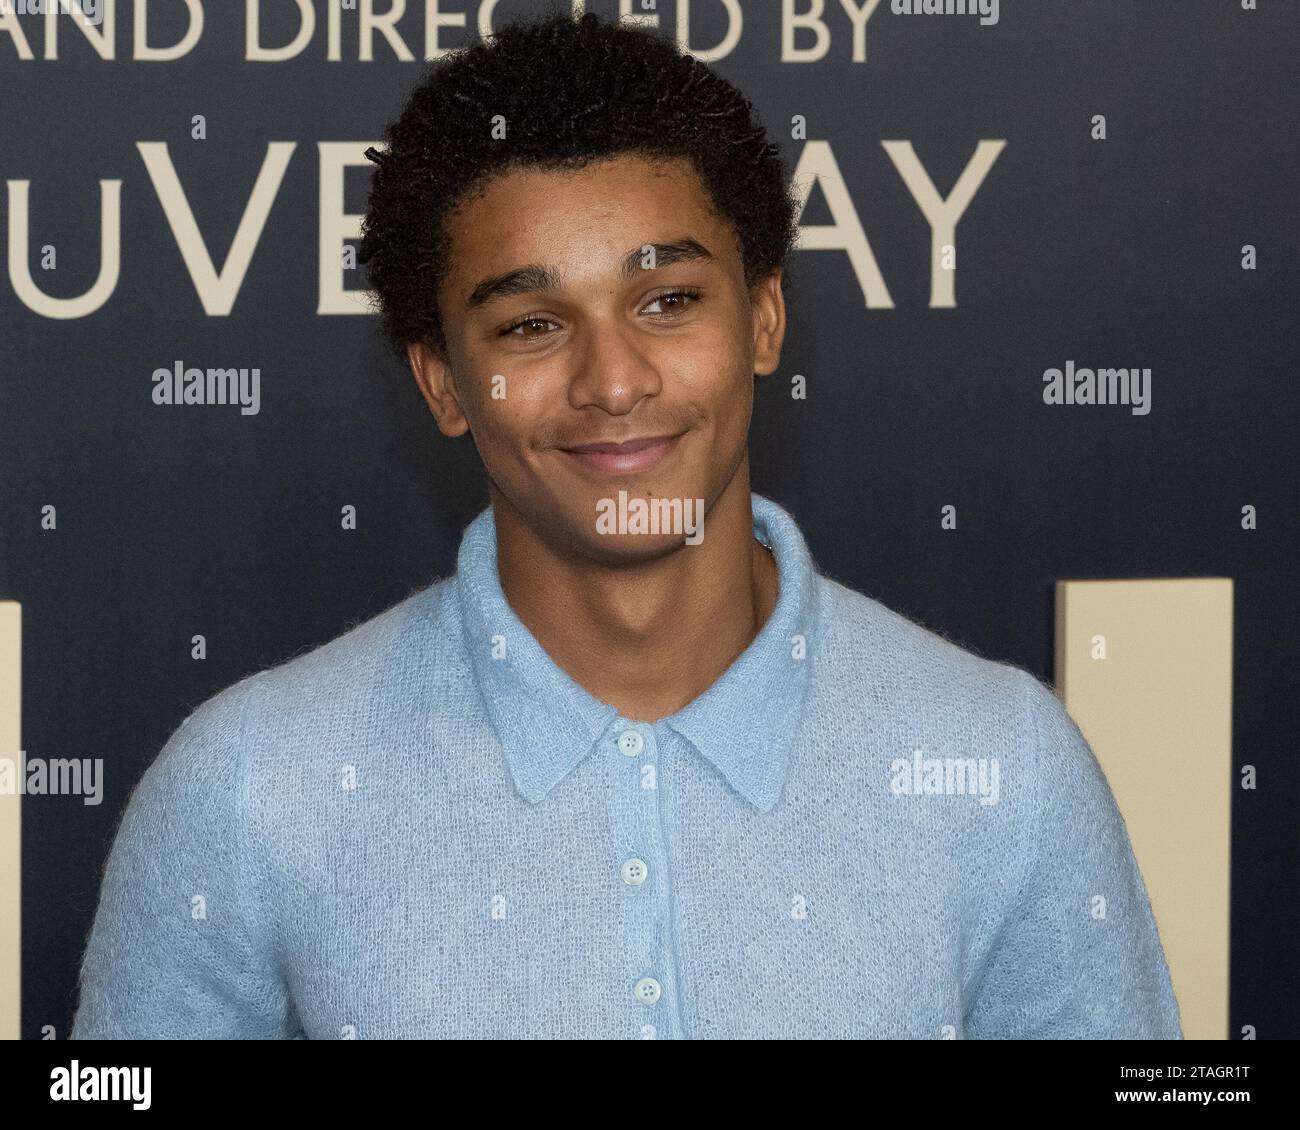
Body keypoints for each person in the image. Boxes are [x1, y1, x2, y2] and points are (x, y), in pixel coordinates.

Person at [71, 10, 1181, 1039]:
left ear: (765, 317)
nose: (613, 380)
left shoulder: (1000, 763)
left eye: (668, 301)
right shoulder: (249, 784)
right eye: (531, 323)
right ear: (443, 385)